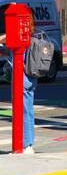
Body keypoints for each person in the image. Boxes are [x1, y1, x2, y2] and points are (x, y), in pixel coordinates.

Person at [0, 25, 36, 155]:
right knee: (28, 111)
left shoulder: (18, 36)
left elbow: (3, 39)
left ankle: (26, 145)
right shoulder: (28, 37)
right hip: (31, 78)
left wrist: (6, 34)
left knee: (24, 112)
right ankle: (29, 143)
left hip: (22, 79)